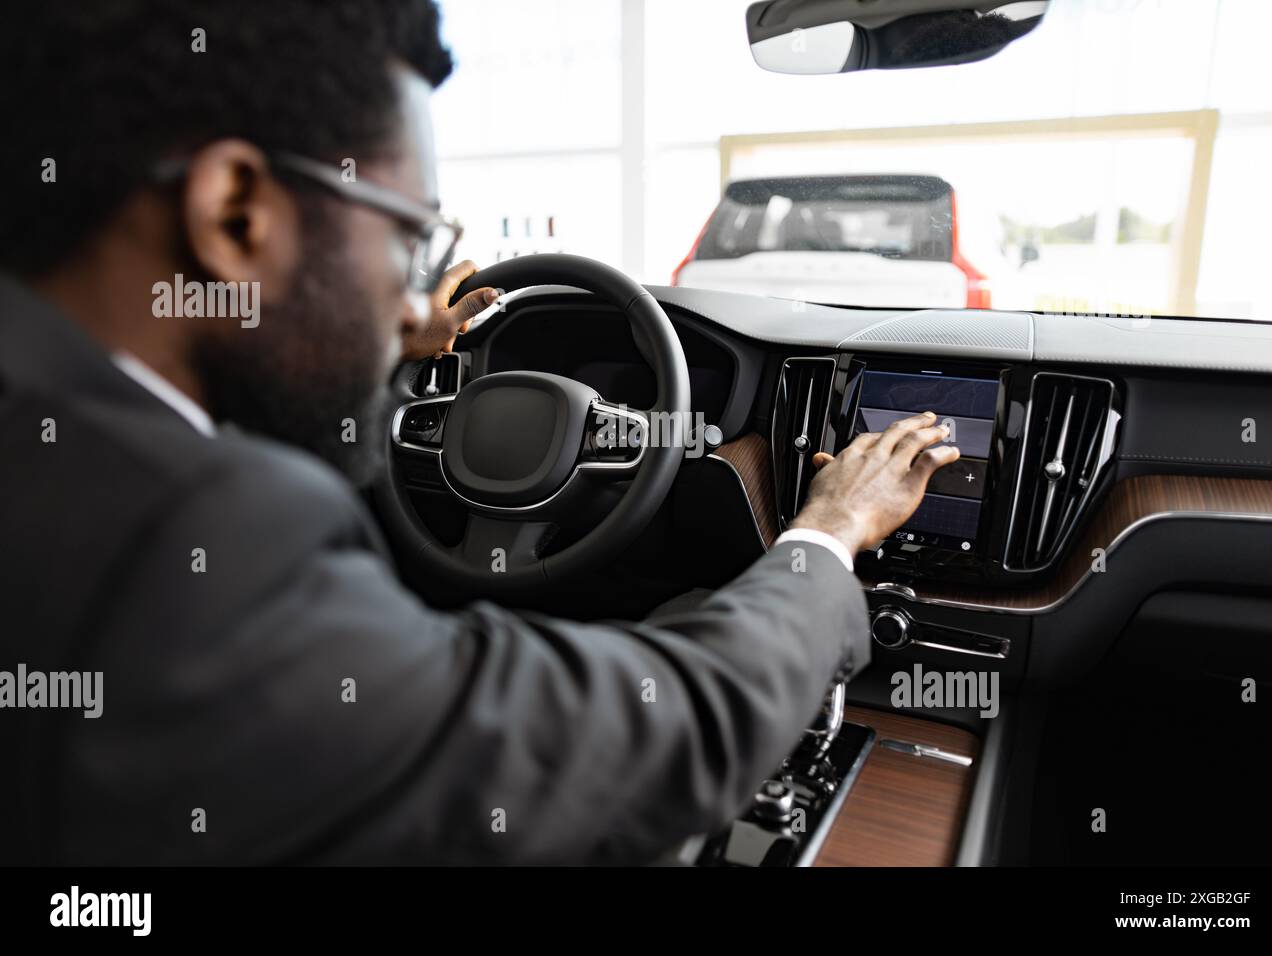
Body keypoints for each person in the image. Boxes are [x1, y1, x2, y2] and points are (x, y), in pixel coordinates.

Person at [0, 1, 959, 864]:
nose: (415, 291)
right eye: (412, 239)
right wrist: (827, 534)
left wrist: (378, 356)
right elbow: (650, 738)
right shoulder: (186, 539)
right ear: (236, 212)